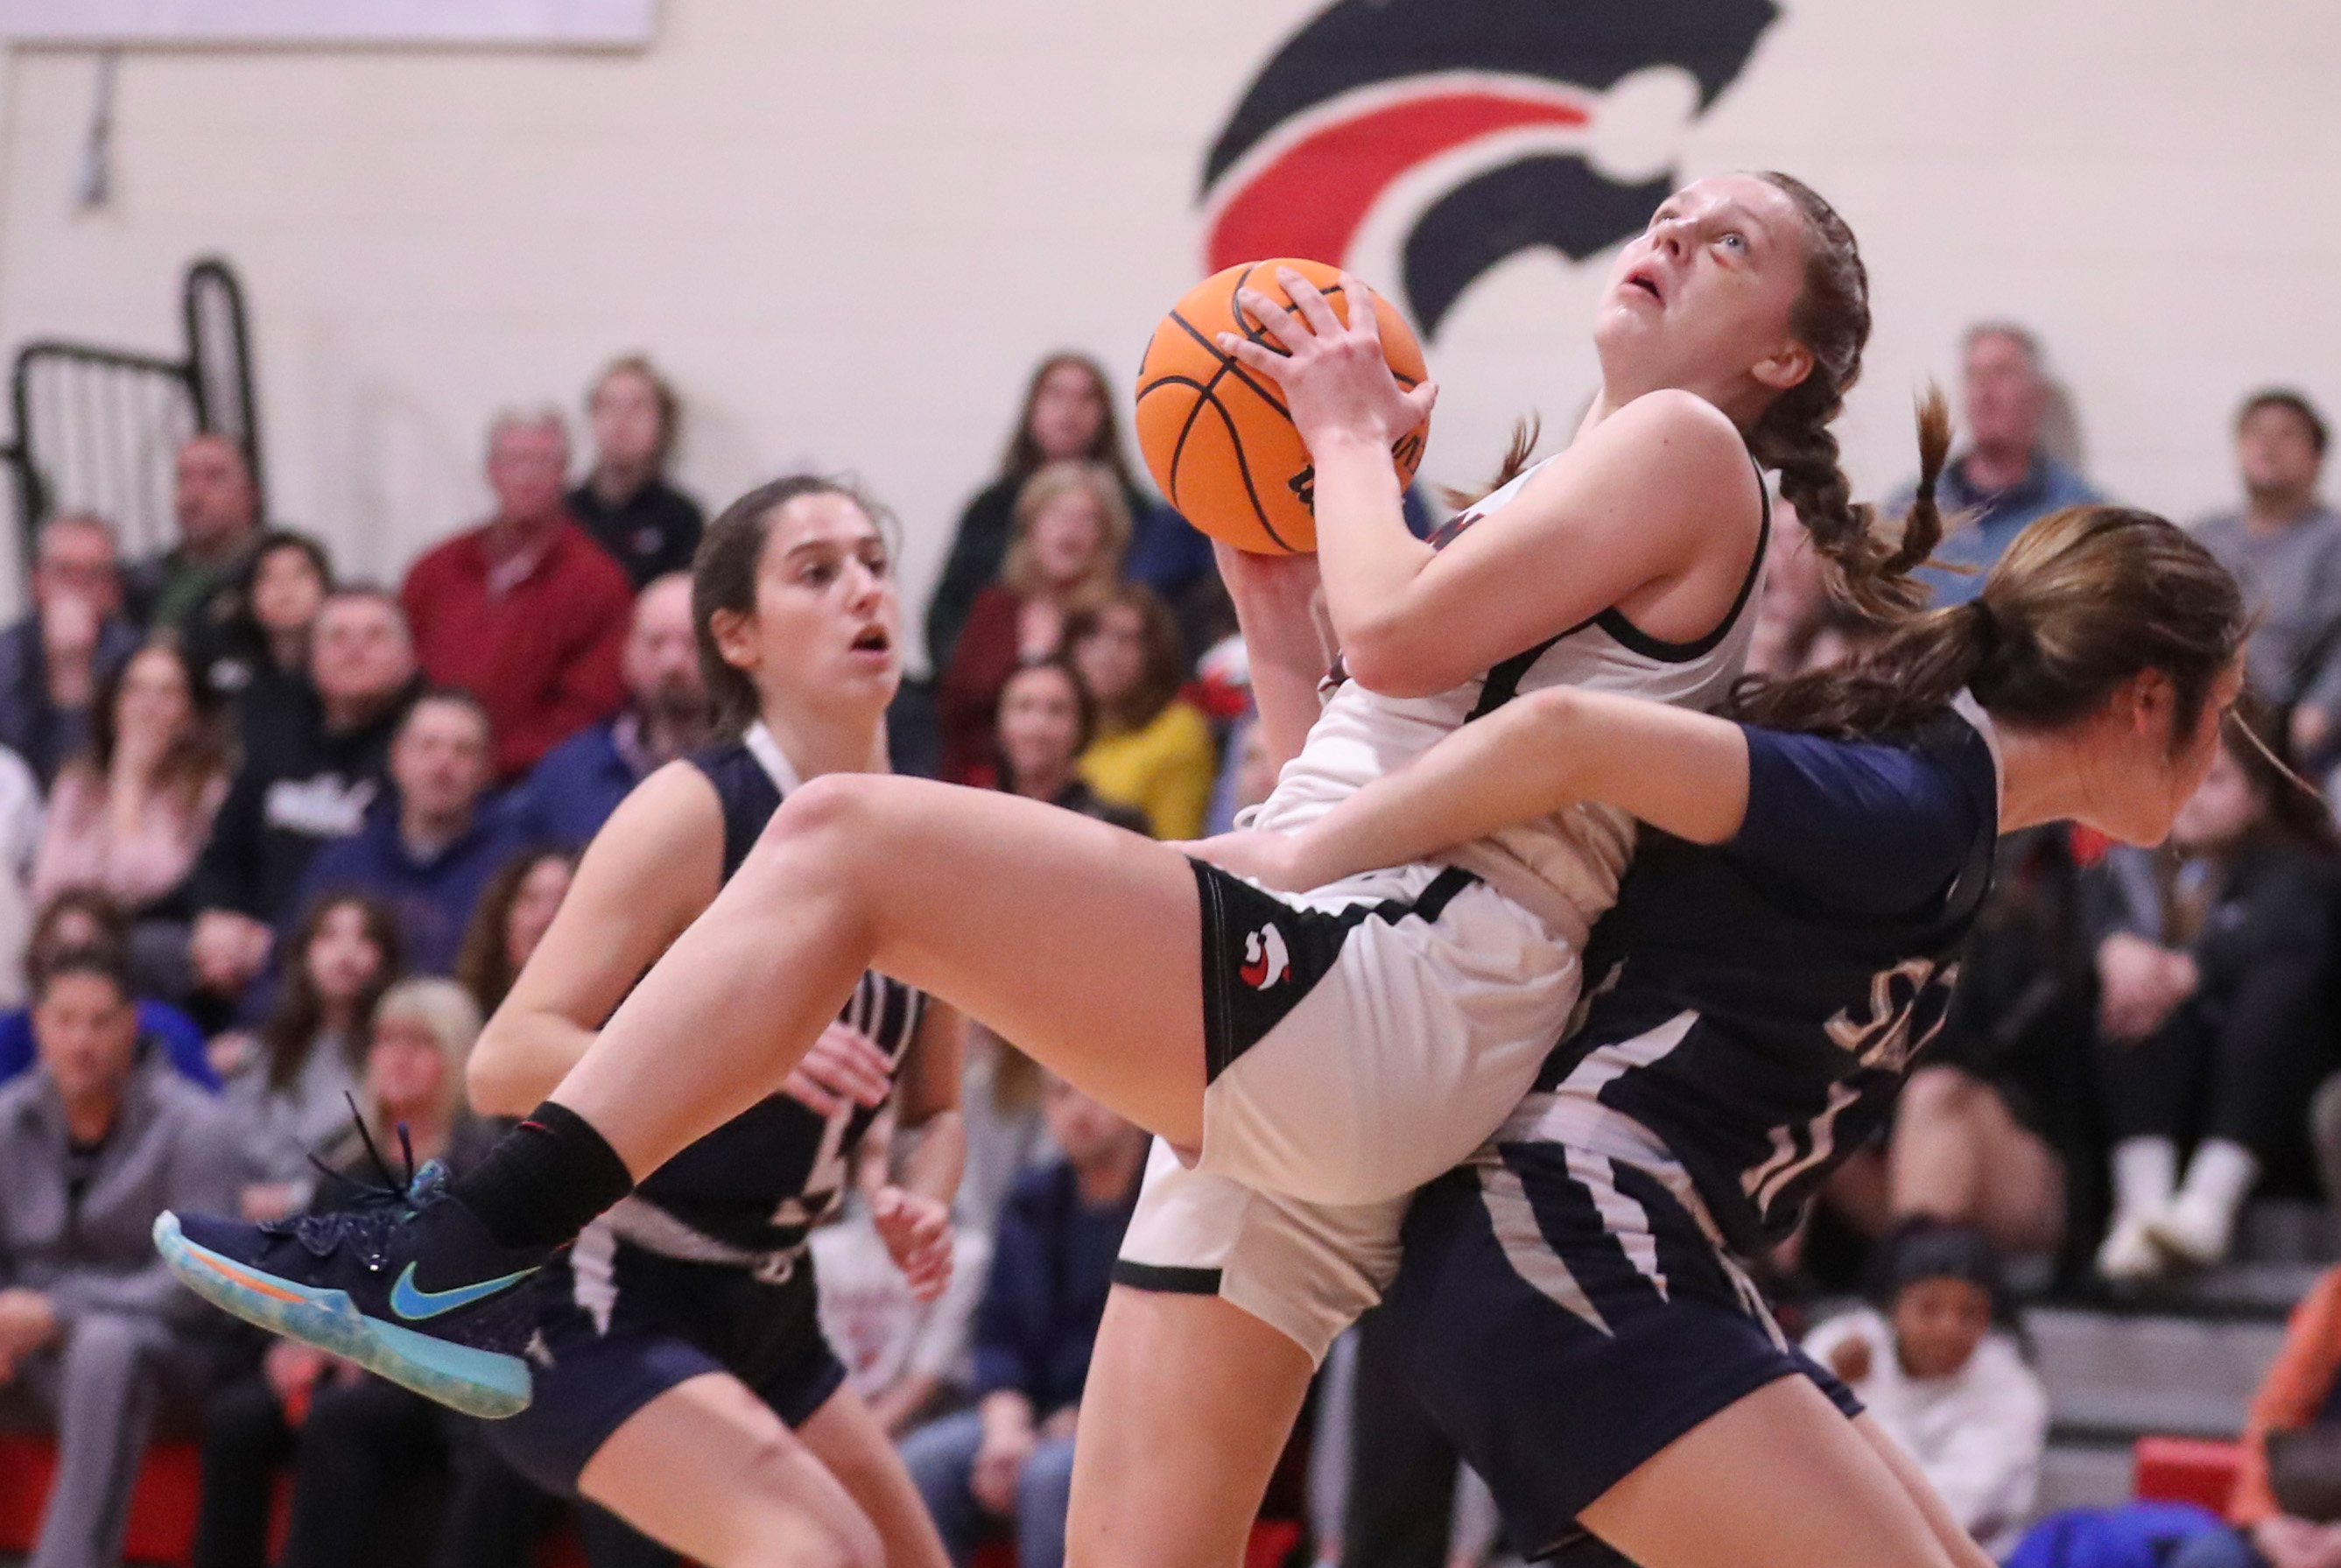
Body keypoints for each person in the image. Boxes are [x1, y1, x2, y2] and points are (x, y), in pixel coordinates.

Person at [158, 171, 1920, 1566]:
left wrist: (1341, 439)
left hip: (1400, 990)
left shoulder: (1688, 453)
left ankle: (461, 1246)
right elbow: (1336, 725)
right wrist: (1263, 570)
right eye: (1678, 207)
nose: (1675, 228)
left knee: (844, 837)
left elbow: (1386, 632)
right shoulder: (1582, 482)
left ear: (1782, 357)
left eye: (1731, 238)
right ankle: (455, 1251)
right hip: (1350, 1002)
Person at [1188, 503, 2245, 1568]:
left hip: (1647, 1251)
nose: (2225, 751)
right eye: (2227, 711)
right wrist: (1299, 858)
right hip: (1562, 1222)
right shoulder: (1912, 804)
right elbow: (1569, 737)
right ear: (2150, 697)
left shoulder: (1949, 810)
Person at [192, 977, 502, 1568]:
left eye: (421, 1043)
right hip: (335, 1367)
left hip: (427, 1384)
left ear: (457, 1056)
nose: (397, 1057)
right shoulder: (345, 1165)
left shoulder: (477, 1170)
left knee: (343, 1418)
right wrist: (289, 1342)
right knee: (237, 1416)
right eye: (386, 1040)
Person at [0, 947, 249, 1568]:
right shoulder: (7, 1121)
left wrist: (58, 1311)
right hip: (31, 1355)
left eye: (100, 1020)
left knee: (104, 1345)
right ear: (38, 1025)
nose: (80, 1040)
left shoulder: (198, 1126)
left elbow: (200, 1281)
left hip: (172, 1356)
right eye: (65, 1019)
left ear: (133, 1023)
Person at [2088, 707, 2337, 1282]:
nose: (2192, 795)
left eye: (2216, 778)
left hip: (2264, 1106)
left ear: (2257, 794)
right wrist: (2114, 949)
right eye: (2180, 774)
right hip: (2156, 1084)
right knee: (2133, 993)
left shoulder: (2298, 872)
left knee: (2280, 988)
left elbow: (2293, 935)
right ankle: (2143, 1209)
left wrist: (2193, 970)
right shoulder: (2123, 867)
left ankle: (2208, 1202)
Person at [899, 1075, 1147, 1568]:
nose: (1078, 1110)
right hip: (1035, 1415)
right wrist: (1004, 1429)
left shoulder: (1165, 1208)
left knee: (1052, 1478)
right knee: (924, 1461)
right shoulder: (1030, 1202)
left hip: (1134, 1425)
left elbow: (1174, 1361)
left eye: (1094, 1089)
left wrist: (1084, 1419)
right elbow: (999, 1338)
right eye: (1059, 1093)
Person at [186, 587, 422, 1007]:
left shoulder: (423, 749)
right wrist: (219, 918)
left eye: (373, 637)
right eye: (338, 638)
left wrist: (282, 943)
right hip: (247, 951)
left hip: (362, 962)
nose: (354, 651)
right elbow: (222, 855)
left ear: (409, 658)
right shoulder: (274, 740)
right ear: (312, 657)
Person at [399, 409, 634, 782]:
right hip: (425, 779)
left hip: (533, 787)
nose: (527, 476)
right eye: (514, 461)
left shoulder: (599, 583)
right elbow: (401, 678)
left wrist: (483, 765)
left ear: (565, 475)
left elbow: (589, 709)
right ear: (491, 472)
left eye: (543, 462)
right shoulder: (434, 570)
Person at [1804, 1226, 2049, 1558]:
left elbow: (1945, 1512)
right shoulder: (1840, 1347)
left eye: (1969, 1313)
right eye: (1929, 1308)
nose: (1949, 1328)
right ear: (1892, 1310)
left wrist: (1852, 1399)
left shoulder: (2011, 1391)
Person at [927, 355, 1156, 675]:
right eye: (1056, 395)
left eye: (1086, 398)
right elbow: (947, 616)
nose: (1069, 411)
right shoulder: (990, 509)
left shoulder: (1139, 511)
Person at [282, 690, 523, 979]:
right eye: (427, 746)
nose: (442, 764)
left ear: (487, 769)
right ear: (397, 757)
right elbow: (286, 968)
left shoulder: (511, 874)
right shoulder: (342, 863)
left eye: (463, 750)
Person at [31, 641, 231, 962]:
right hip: (68, 945)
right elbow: (48, 885)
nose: (147, 706)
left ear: (193, 712)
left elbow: (144, 886)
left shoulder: (210, 791)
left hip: (149, 945)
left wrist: (129, 782)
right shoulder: (77, 783)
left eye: (167, 693)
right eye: (134, 690)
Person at [935, 460, 1131, 785]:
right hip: (985, 782)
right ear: (1032, 527)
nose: (1070, 531)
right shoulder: (996, 605)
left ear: (1107, 536)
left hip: (1089, 784)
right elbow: (957, 709)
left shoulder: (1118, 616)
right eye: (1057, 515)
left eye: (1088, 519)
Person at [214, 893, 401, 1223]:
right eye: (329, 936)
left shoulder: (396, 1057)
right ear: (303, 954)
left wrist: (298, 1198)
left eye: (365, 938)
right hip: (245, 1216)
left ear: (386, 958)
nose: (345, 954)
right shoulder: (260, 1051)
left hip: (344, 1222)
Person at [812, 1116, 991, 1438]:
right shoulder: (821, 1252)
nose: (887, 1172)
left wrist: (863, 1440)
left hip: (925, 1423)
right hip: (835, 1418)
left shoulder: (966, 1254)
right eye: (875, 1154)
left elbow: (928, 1377)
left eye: (902, 1154)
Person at [504, 573, 710, 849]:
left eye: (692, 643)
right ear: (627, 652)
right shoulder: (569, 775)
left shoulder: (762, 764)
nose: (672, 663)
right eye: (655, 643)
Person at [2190, 392, 2341, 763]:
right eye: (2254, 433)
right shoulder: (2205, 537)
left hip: (2299, 724)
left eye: (2286, 435)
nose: (2267, 447)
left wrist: (2325, 706)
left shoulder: (2331, 540)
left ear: (2317, 456)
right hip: (2207, 715)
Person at [1905, 324, 2099, 605]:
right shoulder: (1907, 513)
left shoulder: (2080, 519)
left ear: (2037, 396)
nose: (1985, 393)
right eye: (1974, 376)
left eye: (2001, 374)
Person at [2166, 1262, 2341, 1568]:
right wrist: (2266, 1521)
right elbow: (2275, 1416)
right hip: (2304, 1515)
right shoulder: (2336, 1293)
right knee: (2209, 1561)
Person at [0, 889, 214, 1092]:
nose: (80, 1042)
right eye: (60, 958)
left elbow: (212, 1117)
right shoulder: (8, 1034)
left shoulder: (167, 1031)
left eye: (90, 957)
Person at [0, 513, 142, 789]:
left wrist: (73, 675)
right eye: (64, 571)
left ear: (113, 587)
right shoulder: (7, 653)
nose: (77, 587)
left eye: (94, 574)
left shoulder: (136, 656)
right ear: (37, 580)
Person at [1068, 584, 1217, 840]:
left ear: (1154, 652)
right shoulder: (1061, 721)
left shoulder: (1178, 728)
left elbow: (1177, 848)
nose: (1106, 653)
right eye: (1092, 635)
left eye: (1126, 639)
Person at [568, 355, 707, 589]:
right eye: (609, 405)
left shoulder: (682, 519)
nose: (621, 421)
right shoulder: (565, 513)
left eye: (637, 407)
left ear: (662, 422)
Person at [187, 531, 334, 744]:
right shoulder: (217, 655)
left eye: (300, 574)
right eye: (268, 577)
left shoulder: (341, 664)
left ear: (325, 587)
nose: (285, 588)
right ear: (248, 595)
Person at [990, 657, 1149, 833]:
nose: (1037, 727)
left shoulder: (1117, 827)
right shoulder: (979, 816)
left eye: (1057, 710)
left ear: (1082, 727)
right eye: (1023, 707)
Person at [125, 435, 264, 634]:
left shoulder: (268, 572)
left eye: (213, 477)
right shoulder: (145, 581)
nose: (194, 493)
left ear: (250, 492)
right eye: (184, 477)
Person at [453, 848, 575, 1016]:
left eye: (563, 902)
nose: (544, 919)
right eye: (531, 899)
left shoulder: (608, 1030)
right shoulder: (463, 1012)